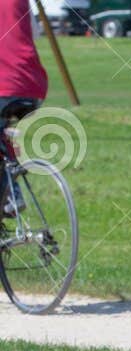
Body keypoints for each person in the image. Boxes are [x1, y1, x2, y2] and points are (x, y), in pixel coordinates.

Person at [0, 0, 48, 214]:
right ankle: (10, 173)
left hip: (5, 84)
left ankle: (11, 191)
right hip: (33, 85)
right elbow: (34, 33)